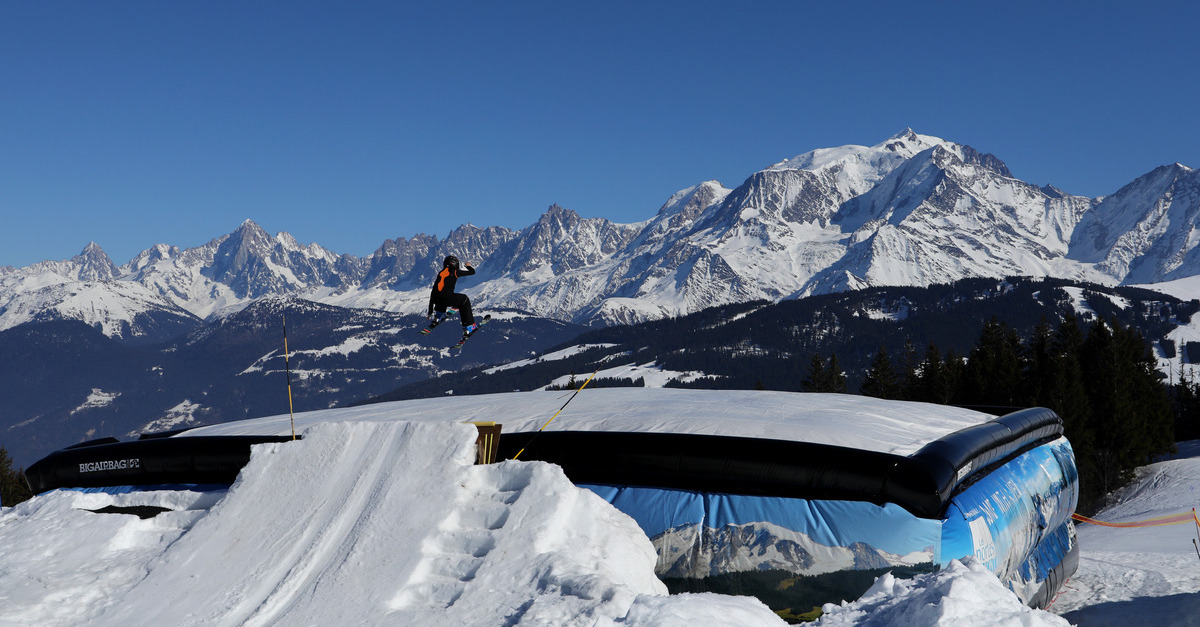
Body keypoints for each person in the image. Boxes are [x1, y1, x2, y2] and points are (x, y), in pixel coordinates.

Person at [428, 255, 479, 336]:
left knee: (440, 295)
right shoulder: (455, 272)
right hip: (448, 299)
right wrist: (468, 266)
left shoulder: (440, 273)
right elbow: (472, 272)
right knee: (464, 300)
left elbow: (433, 293)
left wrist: (430, 312)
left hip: (437, 301)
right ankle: (469, 326)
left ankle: (438, 316)